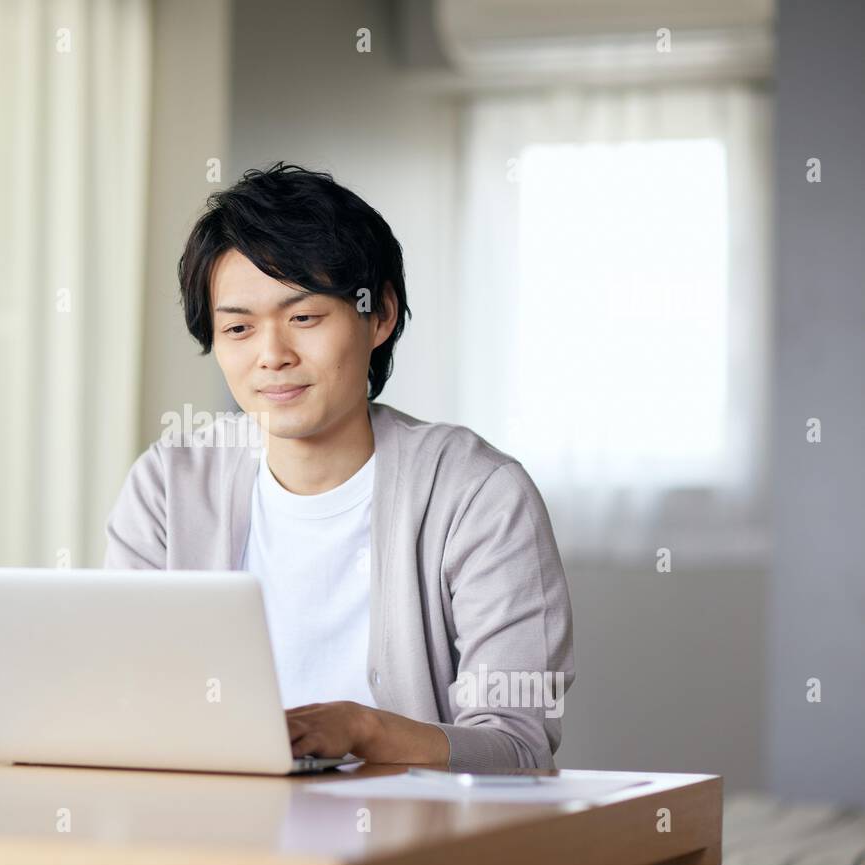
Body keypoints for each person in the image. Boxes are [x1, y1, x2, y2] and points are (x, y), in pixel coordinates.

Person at [103, 162, 574, 770]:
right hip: (212, 828)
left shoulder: (476, 492)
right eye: (239, 328)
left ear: (378, 315)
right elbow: (124, 700)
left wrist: (361, 730)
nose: (271, 356)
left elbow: (517, 747)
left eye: (304, 318)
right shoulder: (169, 483)